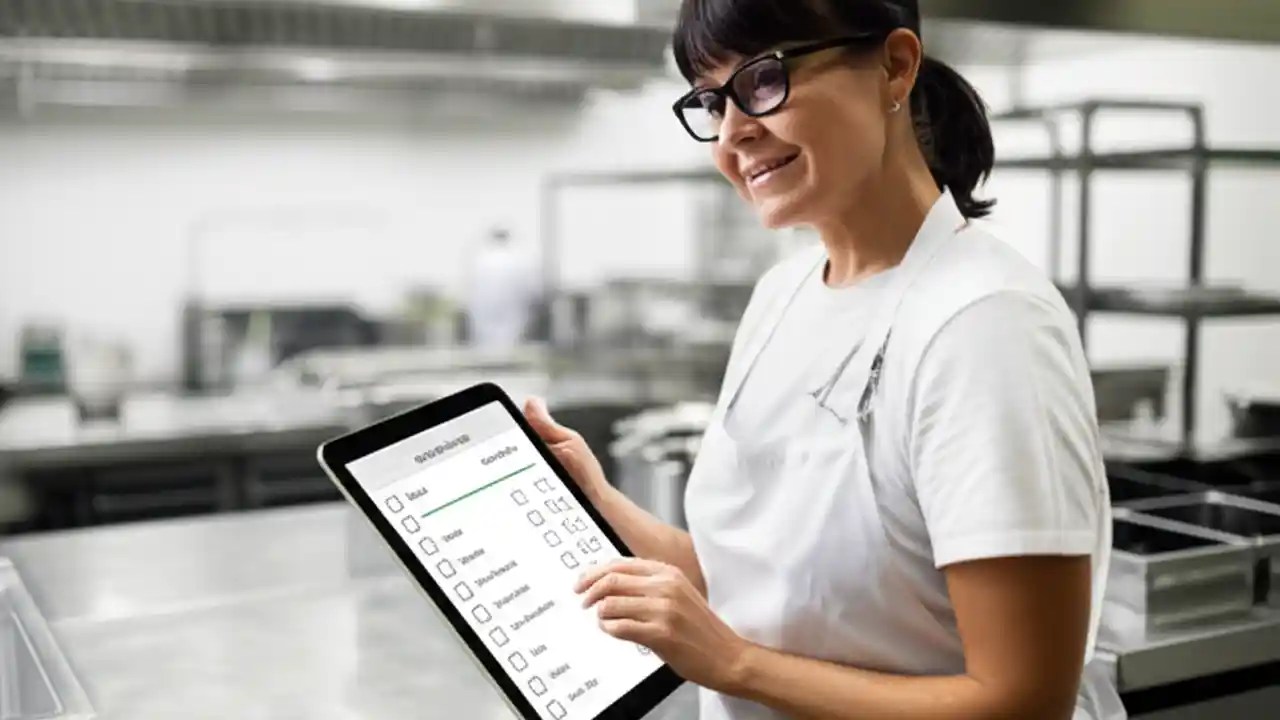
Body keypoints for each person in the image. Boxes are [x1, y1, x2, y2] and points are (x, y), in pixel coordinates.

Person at [524, 0, 1122, 718]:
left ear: (894, 67)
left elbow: (1022, 702)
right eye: (713, 102)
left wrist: (732, 662)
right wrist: (596, 501)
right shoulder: (784, 293)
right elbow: (762, 589)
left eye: (764, 80)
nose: (735, 132)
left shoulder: (985, 323)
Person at [465, 227, 537, 351]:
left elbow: (471, 288)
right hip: (511, 309)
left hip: (485, 310)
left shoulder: (480, 259)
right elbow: (529, 288)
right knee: (509, 339)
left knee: (487, 341)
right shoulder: (519, 259)